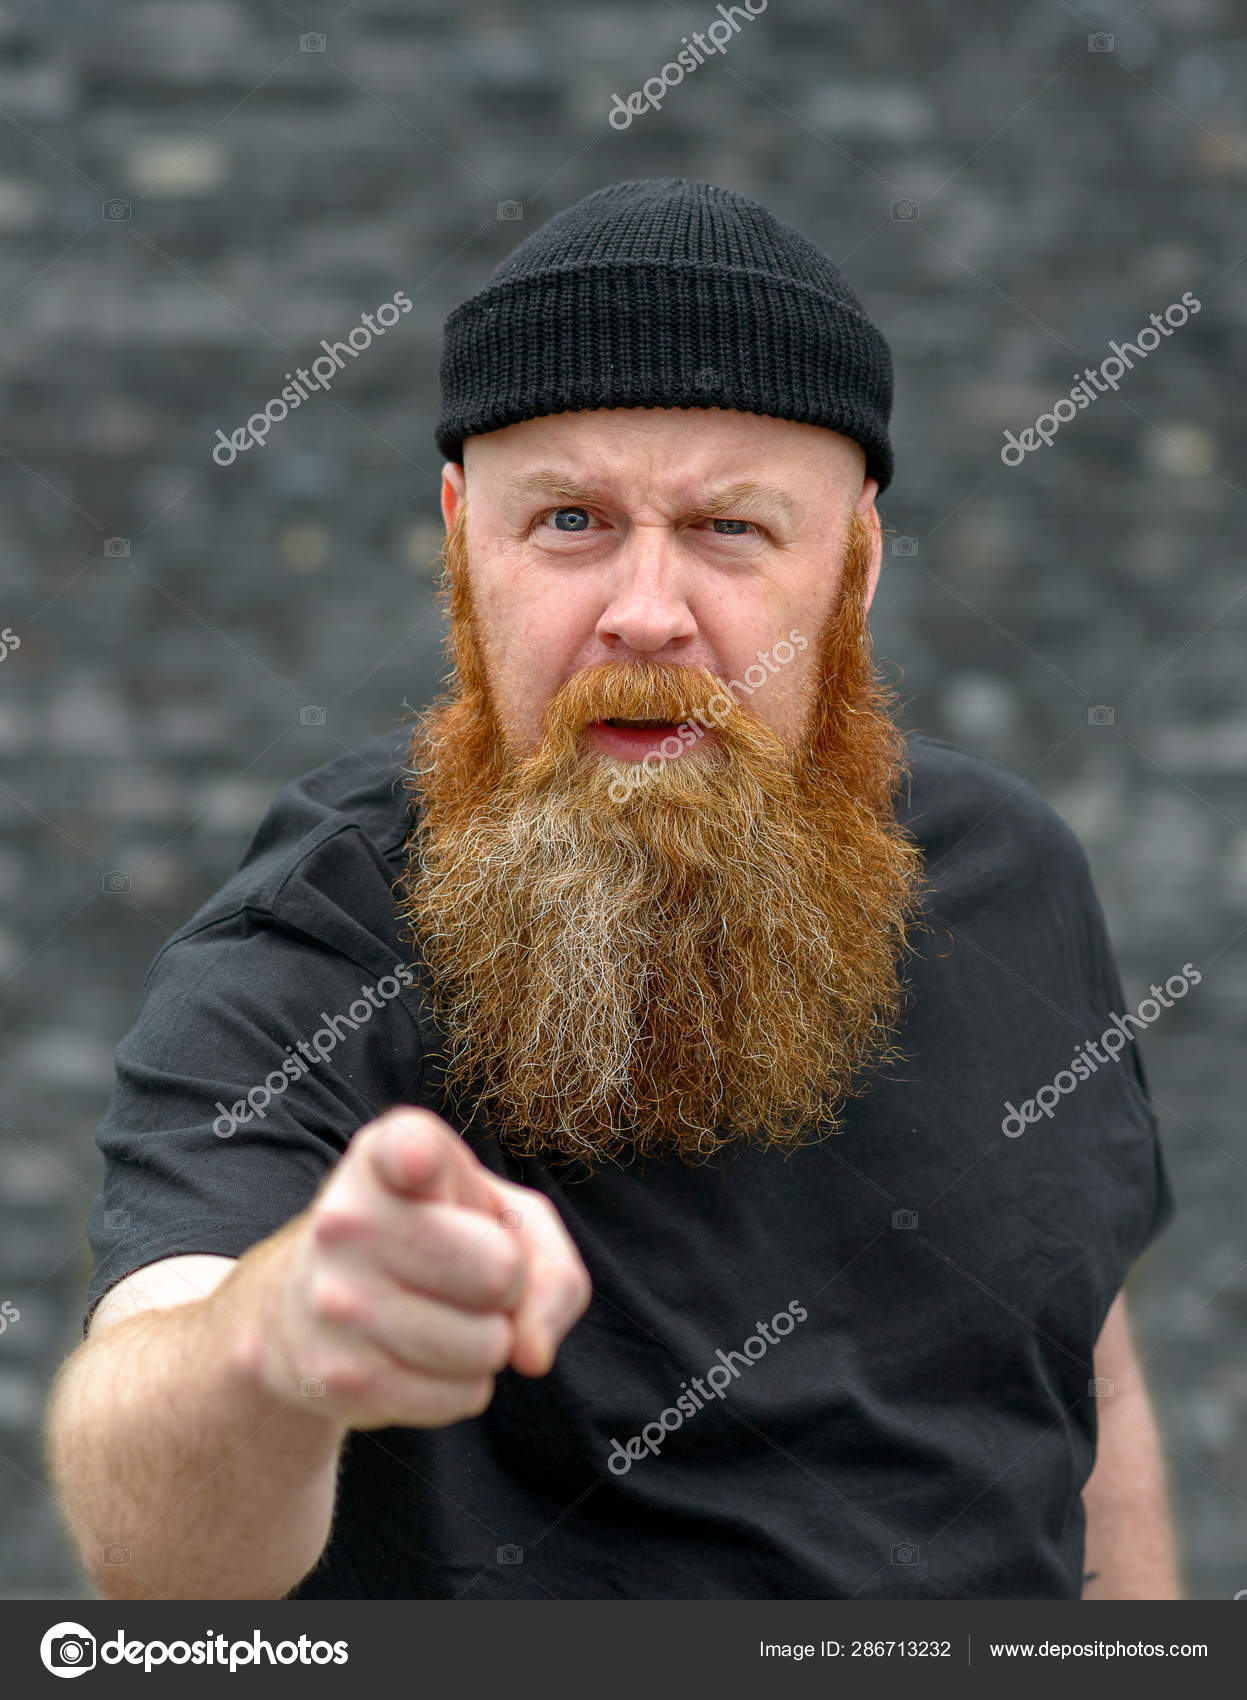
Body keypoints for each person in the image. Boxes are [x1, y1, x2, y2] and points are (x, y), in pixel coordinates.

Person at [46, 178, 1180, 1601]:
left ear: (859, 566)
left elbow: (1092, 1383)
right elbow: (153, 1536)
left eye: (732, 530)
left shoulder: (1013, 876)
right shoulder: (325, 931)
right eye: (572, 520)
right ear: (464, 542)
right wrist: (275, 1351)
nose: (646, 610)